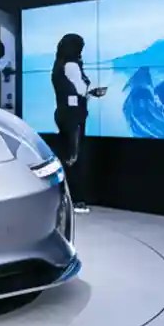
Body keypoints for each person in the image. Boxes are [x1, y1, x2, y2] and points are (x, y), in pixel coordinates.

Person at [51, 33, 106, 213]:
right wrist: (93, 91)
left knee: (68, 154)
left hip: (63, 115)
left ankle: (66, 199)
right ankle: (75, 201)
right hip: (74, 117)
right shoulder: (72, 66)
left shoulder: (58, 66)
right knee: (74, 157)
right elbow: (81, 90)